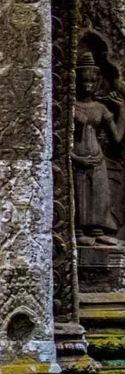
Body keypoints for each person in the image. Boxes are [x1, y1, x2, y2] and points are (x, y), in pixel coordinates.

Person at [73, 47, 125, 246]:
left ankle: (98, 230)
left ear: (97, 83)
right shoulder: (71, 107)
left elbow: (117, 139)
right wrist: (76, 158)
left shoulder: (100, 108)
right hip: (77, 156)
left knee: (99, 194)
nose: (88, 86)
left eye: (92, 82)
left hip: (97, 157)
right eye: (83, 81)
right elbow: (60, 141)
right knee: (79, 194)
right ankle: (78, 232)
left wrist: (122, 111)